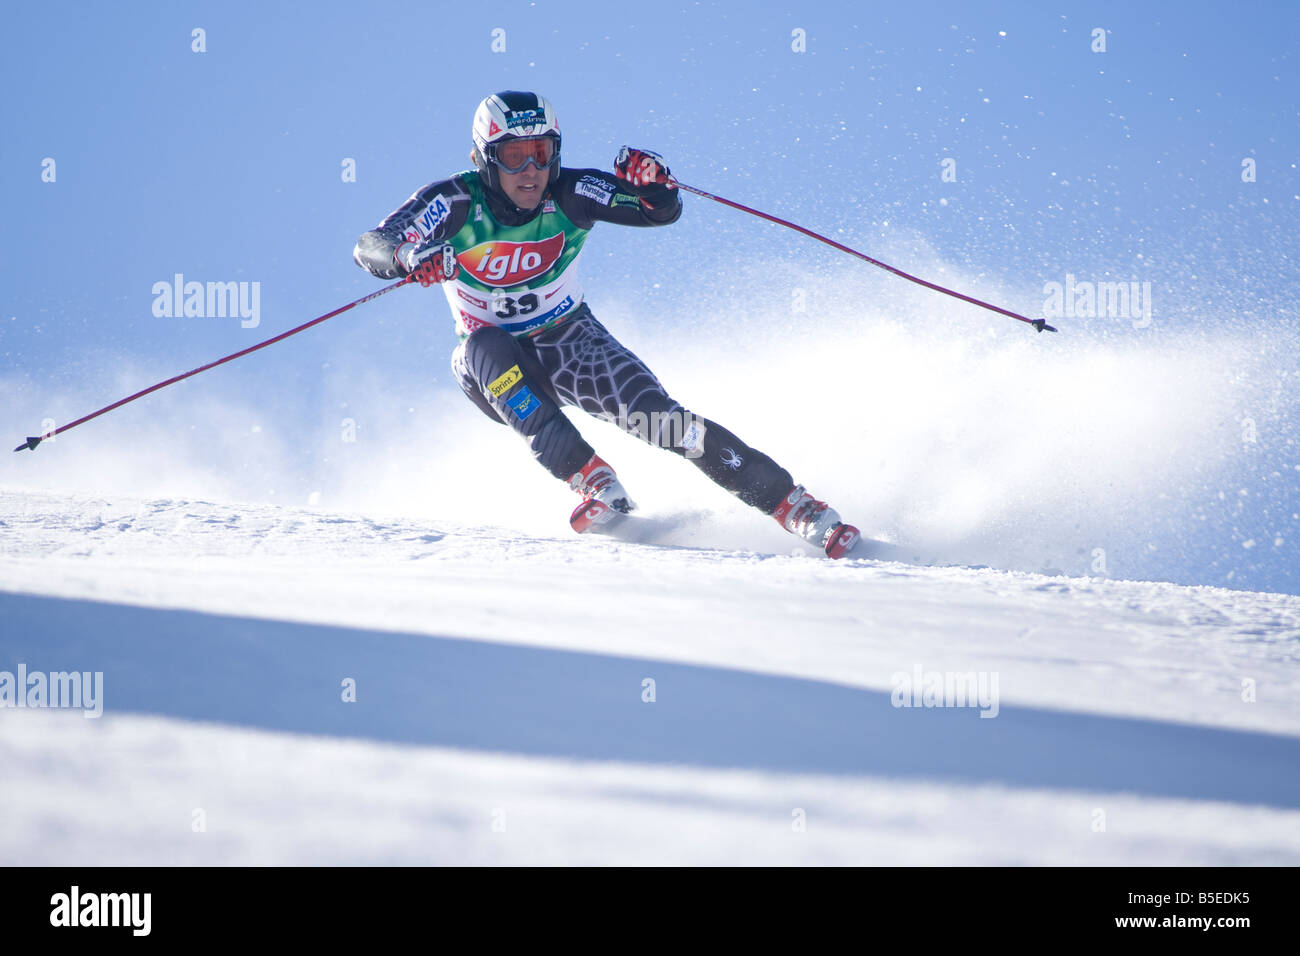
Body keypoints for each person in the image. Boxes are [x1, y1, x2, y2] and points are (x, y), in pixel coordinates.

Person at [353, 91, 860, 558]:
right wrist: (405, 256)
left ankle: (796, 507)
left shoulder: (573, 191)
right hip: (494, 367)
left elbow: (653, 212)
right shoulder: (454, 203)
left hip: (569, 340)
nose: (531, 170)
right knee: (486, 345)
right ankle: (591, 478)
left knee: (663, 421)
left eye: (544, 152)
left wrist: (656, 189)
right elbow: (370, 245)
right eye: (513, 156)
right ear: (484, 158)